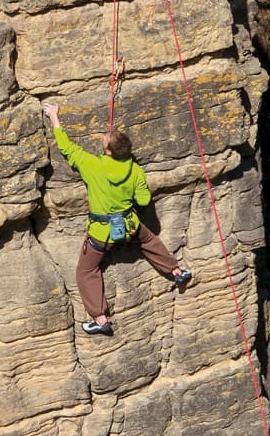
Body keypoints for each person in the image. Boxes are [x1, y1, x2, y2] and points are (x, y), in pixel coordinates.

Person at [42, 103, 191, 335]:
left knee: (86, 271)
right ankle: (176, 272)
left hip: (102, 234)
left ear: (110, 151)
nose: (104, 136)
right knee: (149, 240)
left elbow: (66, 147)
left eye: (106, 139)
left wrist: (54, 116)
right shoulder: (136, 170)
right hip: (129, 225)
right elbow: (143, 201)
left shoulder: (94, 166)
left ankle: (101, 319)